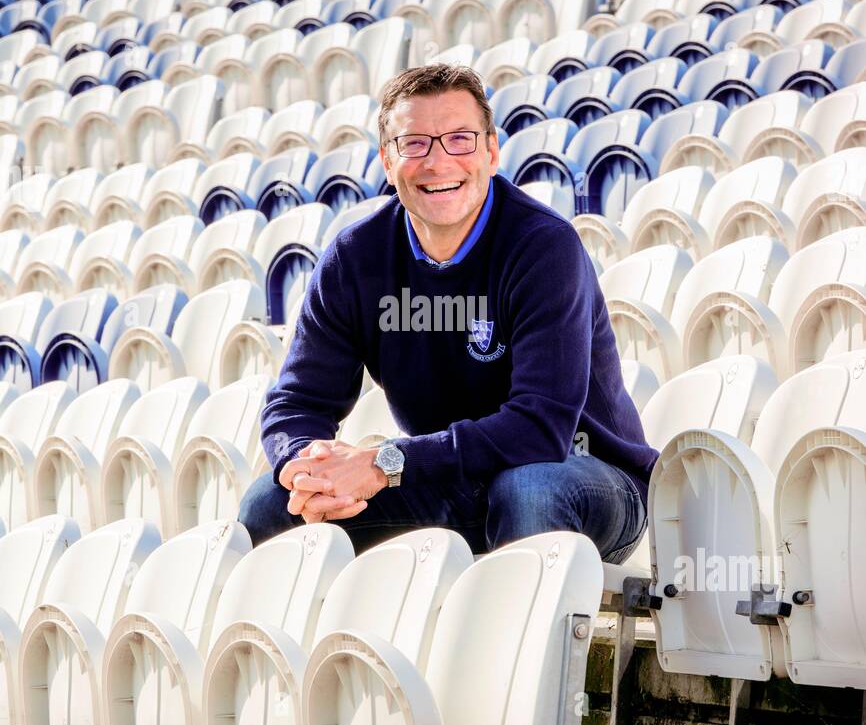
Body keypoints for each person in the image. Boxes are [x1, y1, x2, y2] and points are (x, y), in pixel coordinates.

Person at [238, 63, 658, 558]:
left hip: (584, 473)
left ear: (491, 151)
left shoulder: (544, 247)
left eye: (460, 139)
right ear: (387, 161)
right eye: (414, 143)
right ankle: (355, 638)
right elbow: (296, 403)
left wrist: (383, 462)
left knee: (527, 489)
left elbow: (540, 428)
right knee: (273, 503)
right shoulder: (356, 257)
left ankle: (516, 637)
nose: (438, 162)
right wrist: (307, 468)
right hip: (449, 478)